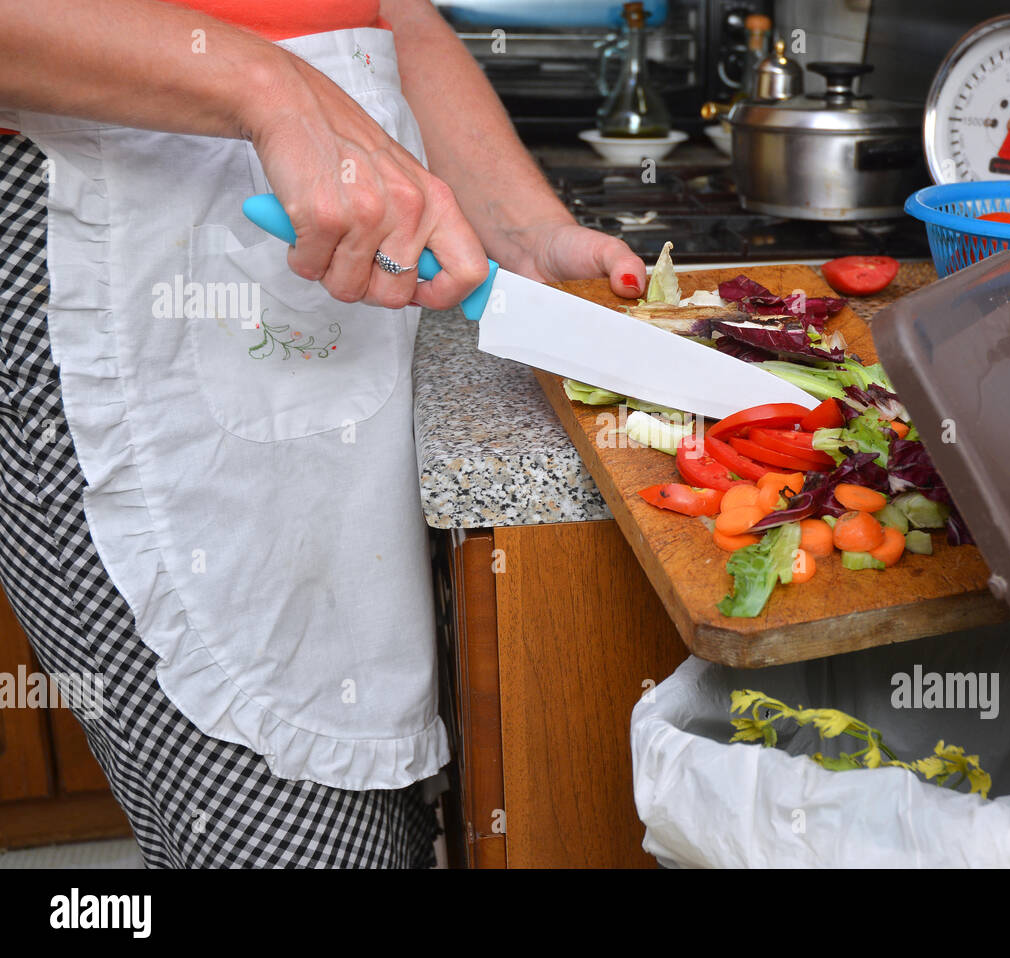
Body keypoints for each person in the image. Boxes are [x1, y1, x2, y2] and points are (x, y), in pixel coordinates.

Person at [0, 0, 645, 867]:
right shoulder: (260, 96)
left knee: (385, 817)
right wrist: (267, 82)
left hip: (336, 272)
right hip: (124, 238)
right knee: (293, 837)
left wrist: (528, 239)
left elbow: (396, 15)